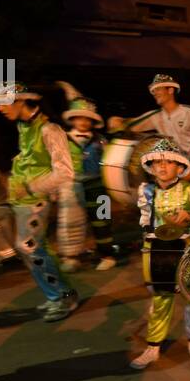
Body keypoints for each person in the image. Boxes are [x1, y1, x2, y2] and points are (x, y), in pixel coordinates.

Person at [0, 82, 78, 322]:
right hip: (23, 200)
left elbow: (65, 173)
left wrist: (28, 186)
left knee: (28, 247)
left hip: (36, 200)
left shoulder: (50, 130)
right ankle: (61, 295)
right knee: (36, 249)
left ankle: (60, 298)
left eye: (4, 102)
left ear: (22, 101)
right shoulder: (23, 126)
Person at [131, 138, 190, 368]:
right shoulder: (146, 191)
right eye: (157, 163)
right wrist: (148, 231)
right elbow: (143, 217)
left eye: (169, 162)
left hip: (187, 248)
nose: (162, 167)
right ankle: (153, 348)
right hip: (159, 249)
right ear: (151, 167)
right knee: (160, 298)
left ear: (179, 167)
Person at [60, 89, 118, 271]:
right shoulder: (62, 139)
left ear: (93, 121)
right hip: (72, 187)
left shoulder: (102, 141)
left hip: (99, 186)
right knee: (71, 223)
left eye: (87, 118)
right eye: (79, 117)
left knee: (103, 220)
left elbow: (112, 162)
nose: (83, 122)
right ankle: (71, 257)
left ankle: (107, 255)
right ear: (72, 119)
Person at [125, 73, 190, 175]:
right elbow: (132, 125)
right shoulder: (156, 116)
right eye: (153, 91)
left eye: (158, 89)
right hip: (176, 172)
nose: (155, 93)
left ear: (170, 90)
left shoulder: (189, 112)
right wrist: (119, 121)